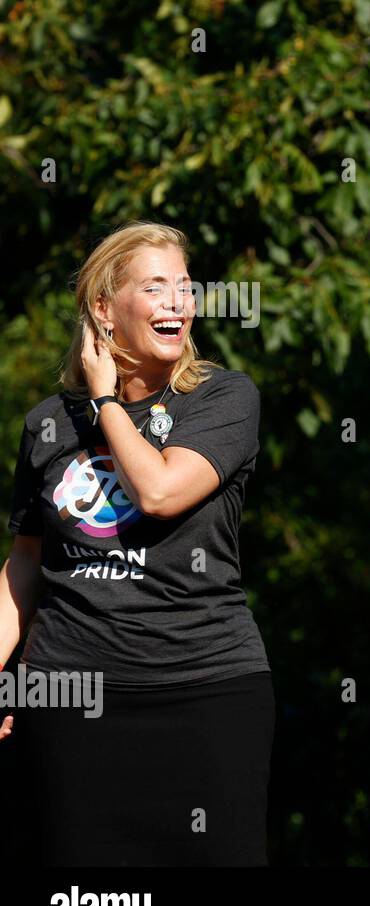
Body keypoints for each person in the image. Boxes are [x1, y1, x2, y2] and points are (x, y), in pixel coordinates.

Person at [0, 221, 274, 865]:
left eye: (185, 287)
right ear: (104, 308)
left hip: (208, 689)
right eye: (156, 288)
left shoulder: (223, 398)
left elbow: (158, 491)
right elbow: (23, 568)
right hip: (70, 696)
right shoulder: (46, 423)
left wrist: (103, 402)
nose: (178, 302)